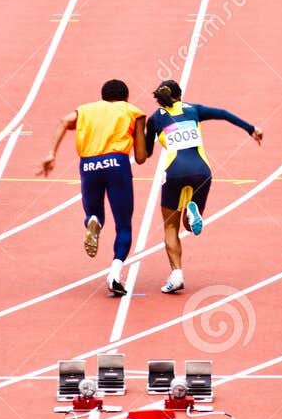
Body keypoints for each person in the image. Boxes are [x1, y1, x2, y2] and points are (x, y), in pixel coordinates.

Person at [143, 80, 263, 294]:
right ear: (180, 96)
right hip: (202, 171)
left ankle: (177, 274)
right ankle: (191, 209)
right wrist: (250, 129)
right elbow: (224, 113)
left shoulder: (155, 119)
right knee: (190, 227)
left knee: (171, 227)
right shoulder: (194, 109)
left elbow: (147, 154)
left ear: (161, 100)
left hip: (174, 171)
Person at [39, 80, 147, 297]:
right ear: (126, 98)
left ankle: (92, 222)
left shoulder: (86, 110)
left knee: (93, 212)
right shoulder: (133, 112)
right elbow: (141, 157)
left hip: (89, 166)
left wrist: (51, 153)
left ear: (102, 96)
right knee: (123, 225)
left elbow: (63, 120)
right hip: (117, 164)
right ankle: (115, 274)